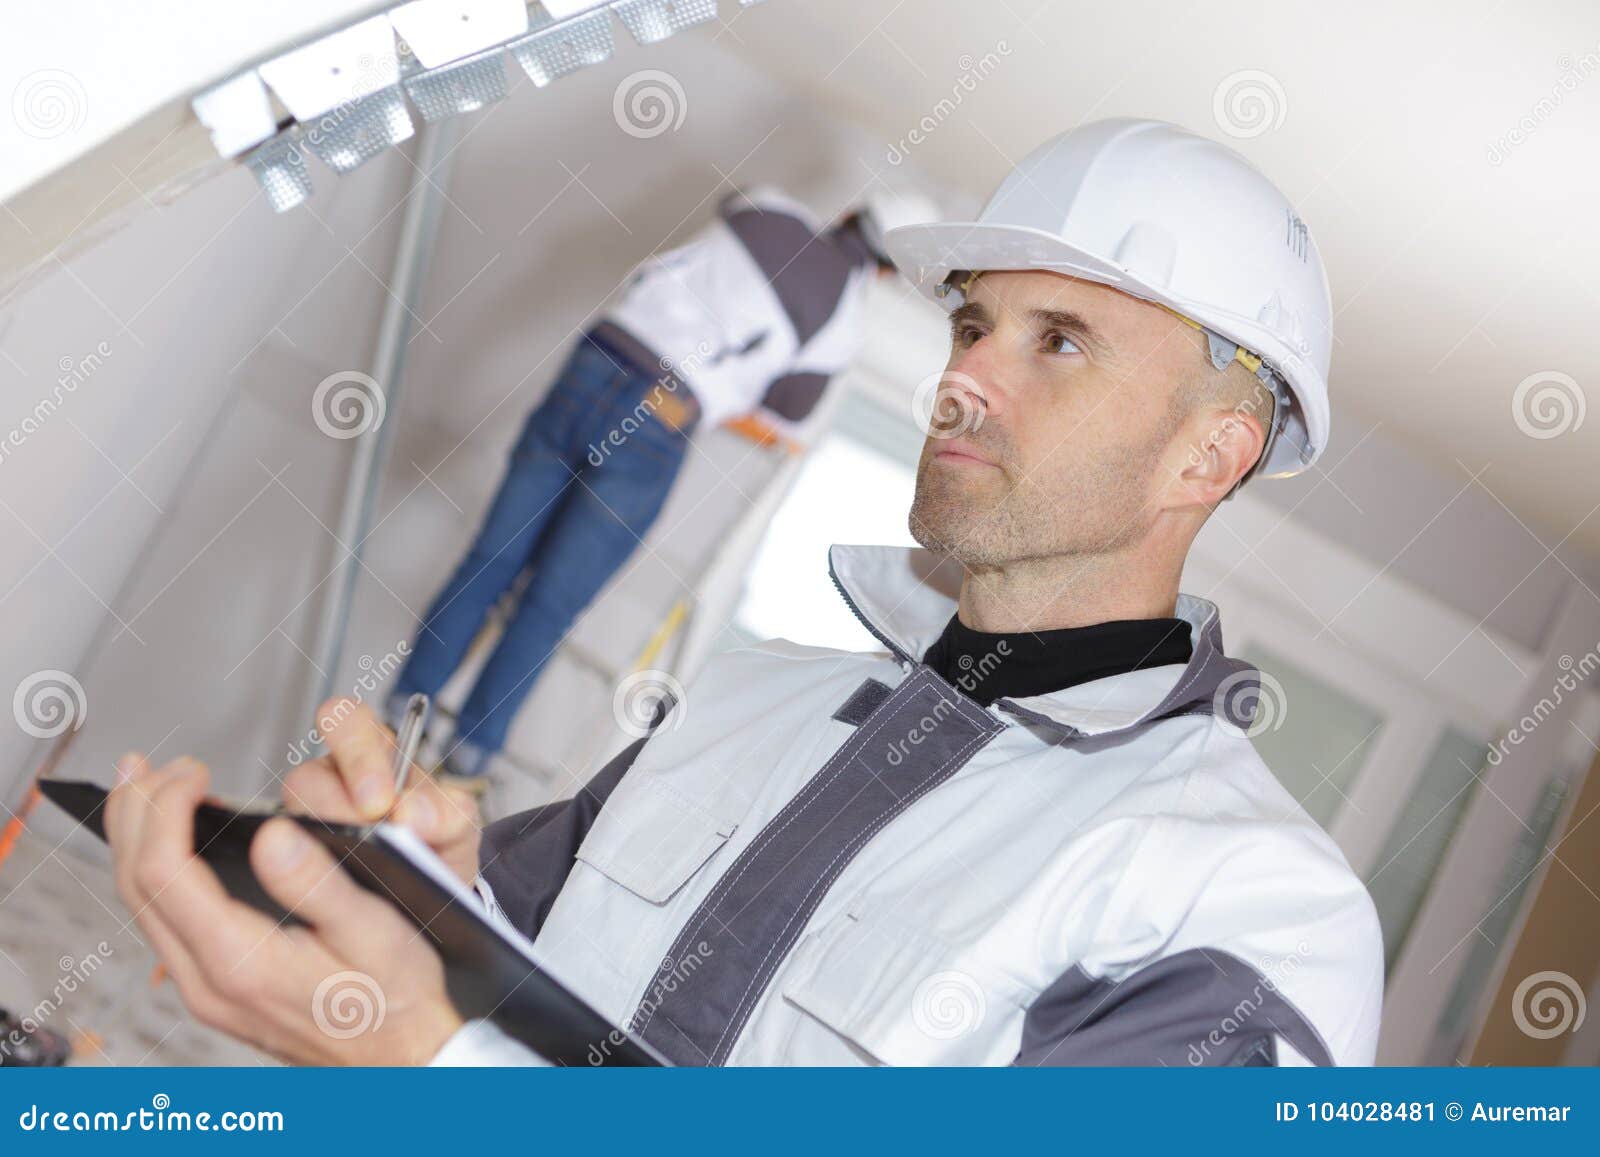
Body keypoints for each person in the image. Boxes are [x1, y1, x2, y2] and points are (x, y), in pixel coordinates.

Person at [104, 119, 1383, 1067]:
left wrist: (441, 1076)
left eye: (1057, 340)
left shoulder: (1247, 907)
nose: (966, 379)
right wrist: (435, 897)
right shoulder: (747, 694)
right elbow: (518, 976)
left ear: (1209, 454)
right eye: (971, 326)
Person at [387, 186, 928, 778]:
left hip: (595, 360)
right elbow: (783, 413)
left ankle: (399, 710)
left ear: (850, 213)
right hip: (661, 411)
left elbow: (732, 201)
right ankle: (470, 751)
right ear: (884, 273)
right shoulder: (841, 327)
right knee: (552, 602)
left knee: (492, 557)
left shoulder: (771, 208)